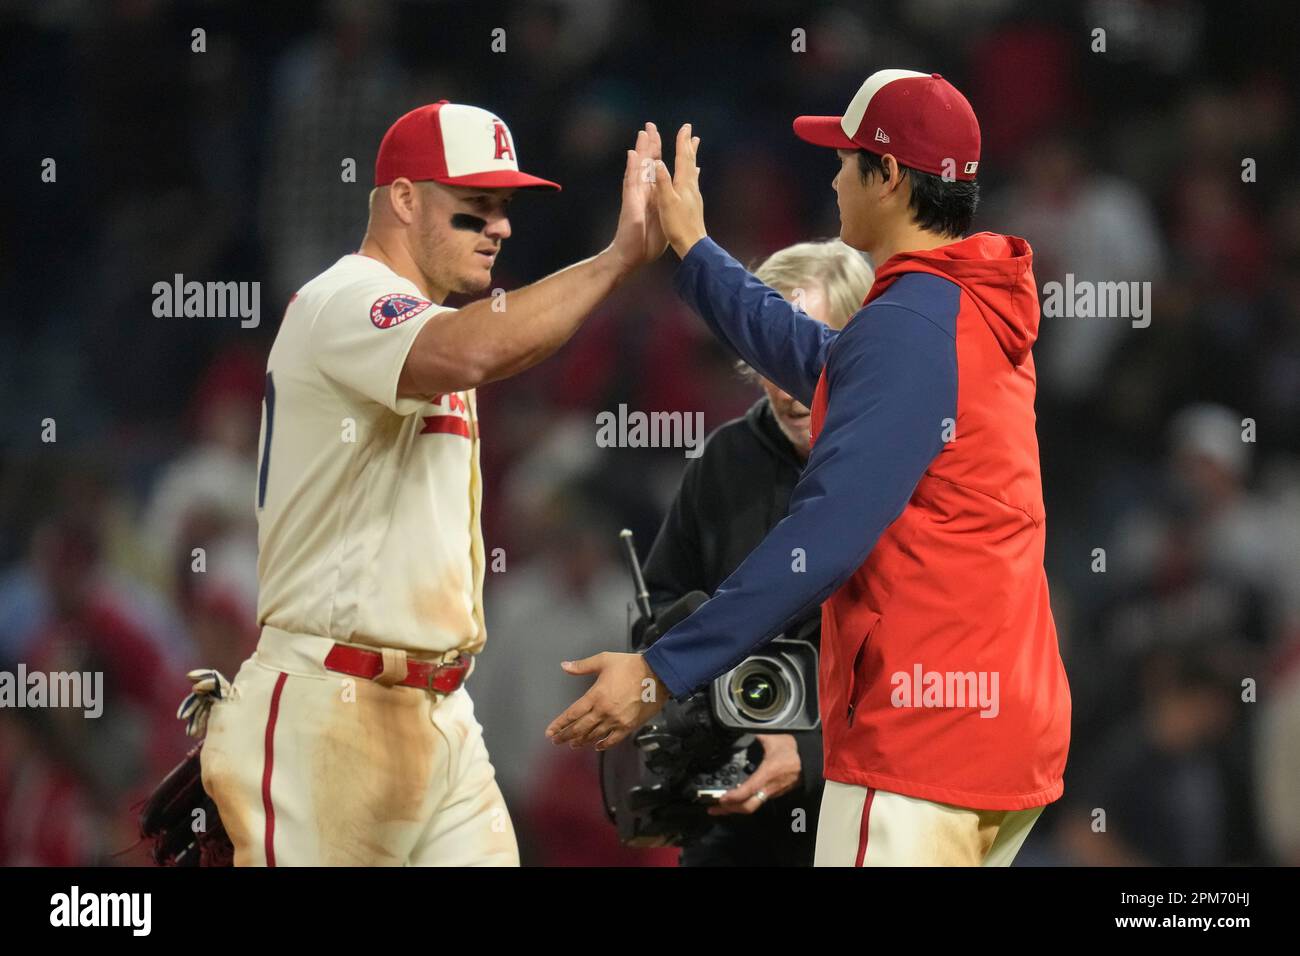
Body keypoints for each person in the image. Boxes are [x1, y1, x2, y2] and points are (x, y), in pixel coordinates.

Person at [548, 70, 1072, 867]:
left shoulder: (906, 327)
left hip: (918, 738)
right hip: (1001, 729)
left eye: (846, 158)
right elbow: (825, 362)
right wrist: (693, 250)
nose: (832, 176)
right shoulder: (968, 305)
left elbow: (824, 537)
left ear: (888, 175)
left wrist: (662, 670)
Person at [196, 101, 667, 866]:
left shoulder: (427, 323)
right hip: (331, 704)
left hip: (441, 710)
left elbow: (479, 348)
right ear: (406, 199)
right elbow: (469, 351)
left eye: (504, 210)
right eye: (475, 207)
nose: (500, 227)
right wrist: (615, 260)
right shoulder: (344, 298)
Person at [640, 240, 873, 866]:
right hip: (737, 816)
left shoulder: (907, 468)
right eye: (768, 352)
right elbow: (654, 610)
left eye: (802, 350)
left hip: (874, 815)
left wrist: (812, 750)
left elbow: (940, 663)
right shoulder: (722, 462)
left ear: (854, 346)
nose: (790, 390)